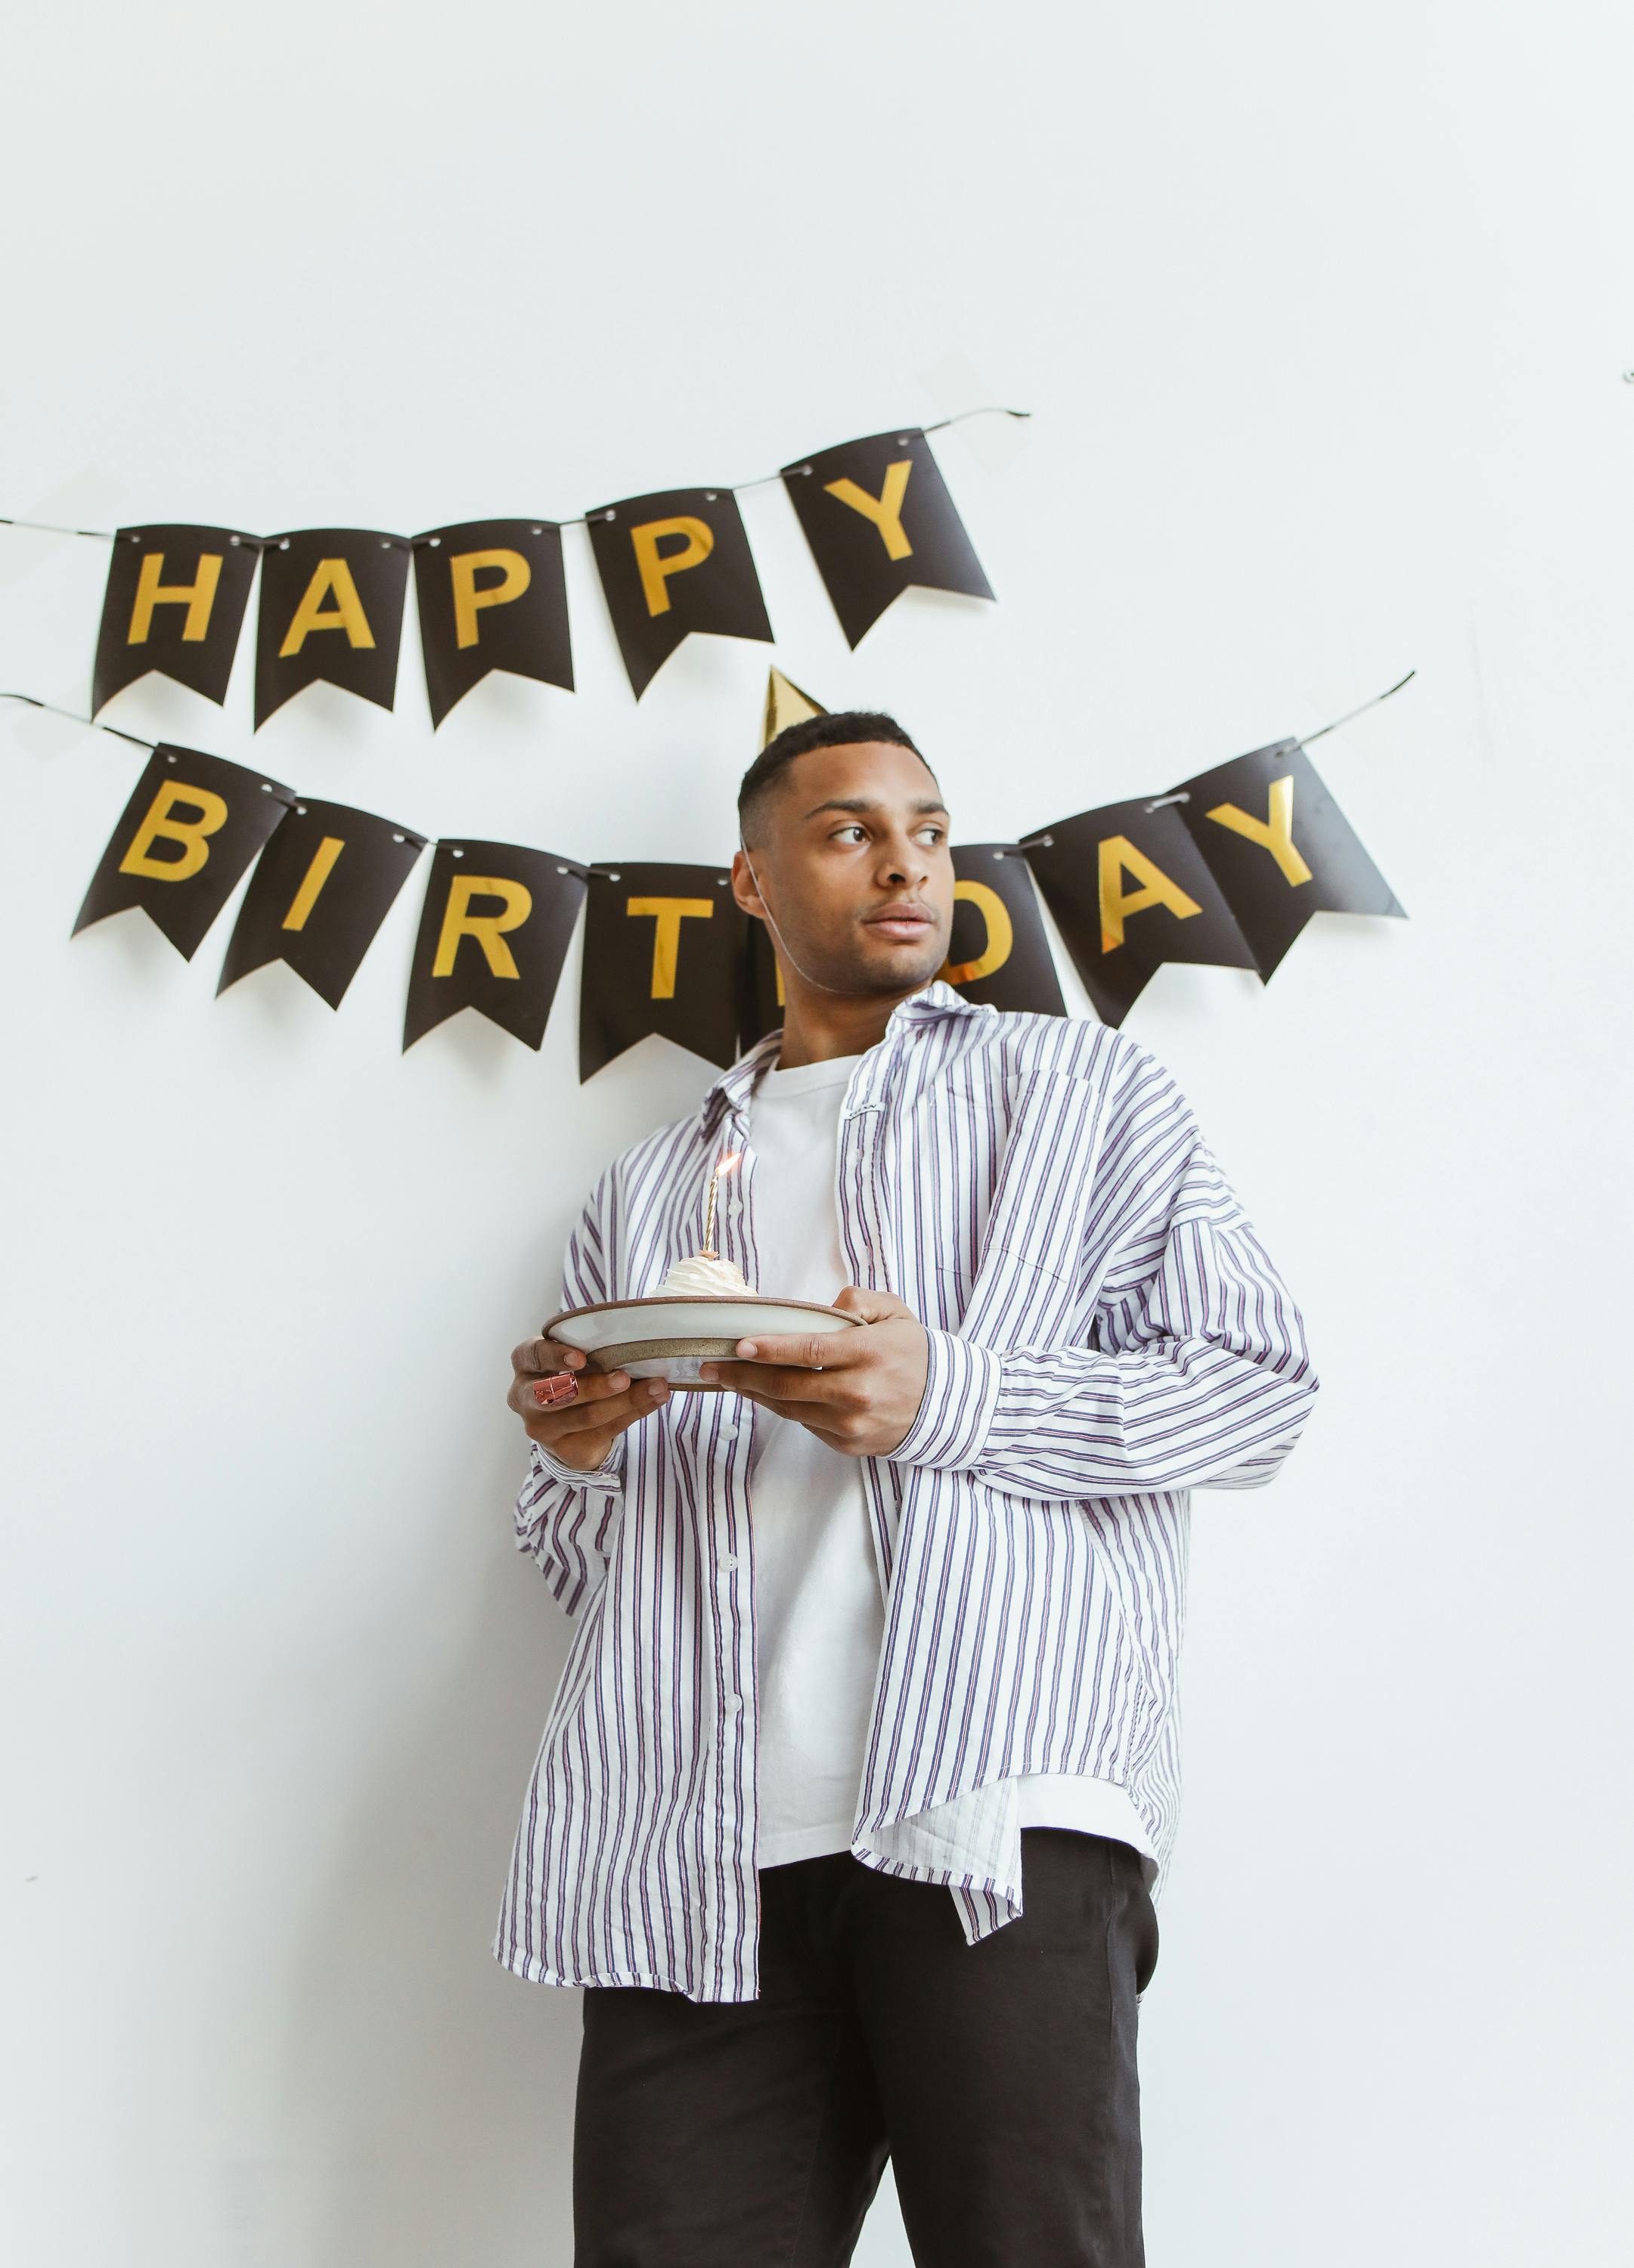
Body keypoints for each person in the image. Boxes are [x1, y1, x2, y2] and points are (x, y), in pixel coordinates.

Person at [499, 711, 1318, 2268]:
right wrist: (582, 1452)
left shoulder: (1081, 1097)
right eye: (848, 830)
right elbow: (576, 1565)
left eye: (929, 831)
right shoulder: (644, 1194)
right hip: (695, 1854)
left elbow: (1255, 1393)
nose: (906, 865)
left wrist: (949, 1392)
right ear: (750, 879)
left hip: (989, 1816)